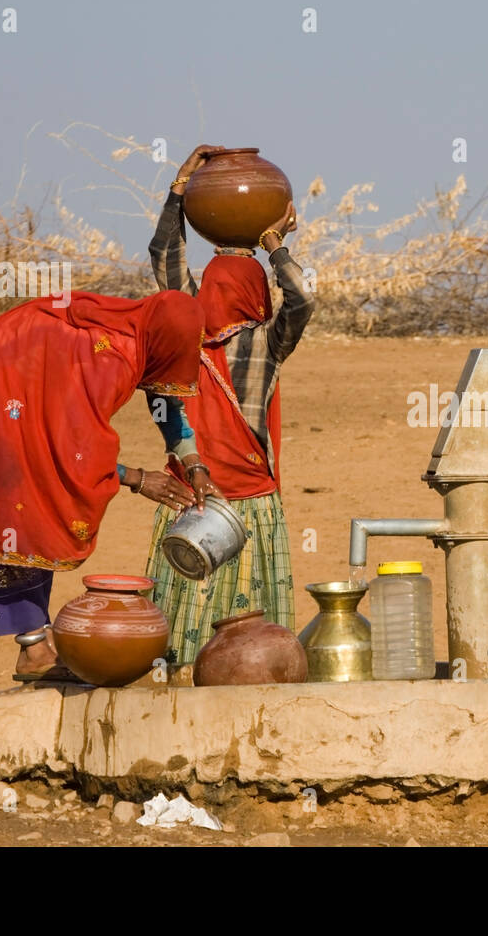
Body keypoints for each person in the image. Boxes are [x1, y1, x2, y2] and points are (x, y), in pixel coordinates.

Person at [0, 287, 222, 681]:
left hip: (17, 354)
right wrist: (137, 480)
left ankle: (36, 643)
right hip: (6, 371)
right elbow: (75, 447)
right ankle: (35, 648)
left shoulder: (140, 330)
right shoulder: (113, 358)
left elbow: (165, 397)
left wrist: (192, 462)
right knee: (30, 496)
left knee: (32, 500)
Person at [144, 145, 316, 664]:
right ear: (258, 298)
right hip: (251, 505)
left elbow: (165, 259)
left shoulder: (182, 336)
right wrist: (274, 248)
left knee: (182, 617)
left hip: (189, 497)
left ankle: (174, 679)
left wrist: (179, 191)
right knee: (251, 630)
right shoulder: (267, 342)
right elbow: (304, 299)